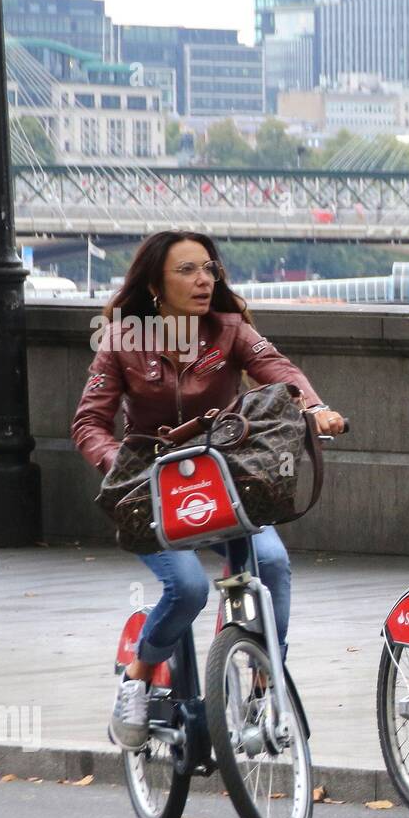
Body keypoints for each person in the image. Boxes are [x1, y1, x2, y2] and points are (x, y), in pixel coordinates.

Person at [72, 229, 345, 750]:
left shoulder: (231, 330)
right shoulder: (123, 341)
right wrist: (121, 466)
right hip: (151, 492)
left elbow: (280, 372)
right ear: (156, 284)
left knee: (273, 563)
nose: (203, 280)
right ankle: (138, 674)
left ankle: (266, 679)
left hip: (224, 481)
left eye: (209, 269)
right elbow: (88, 424)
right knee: (190, 590)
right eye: (187, 270)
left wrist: (314, 409)